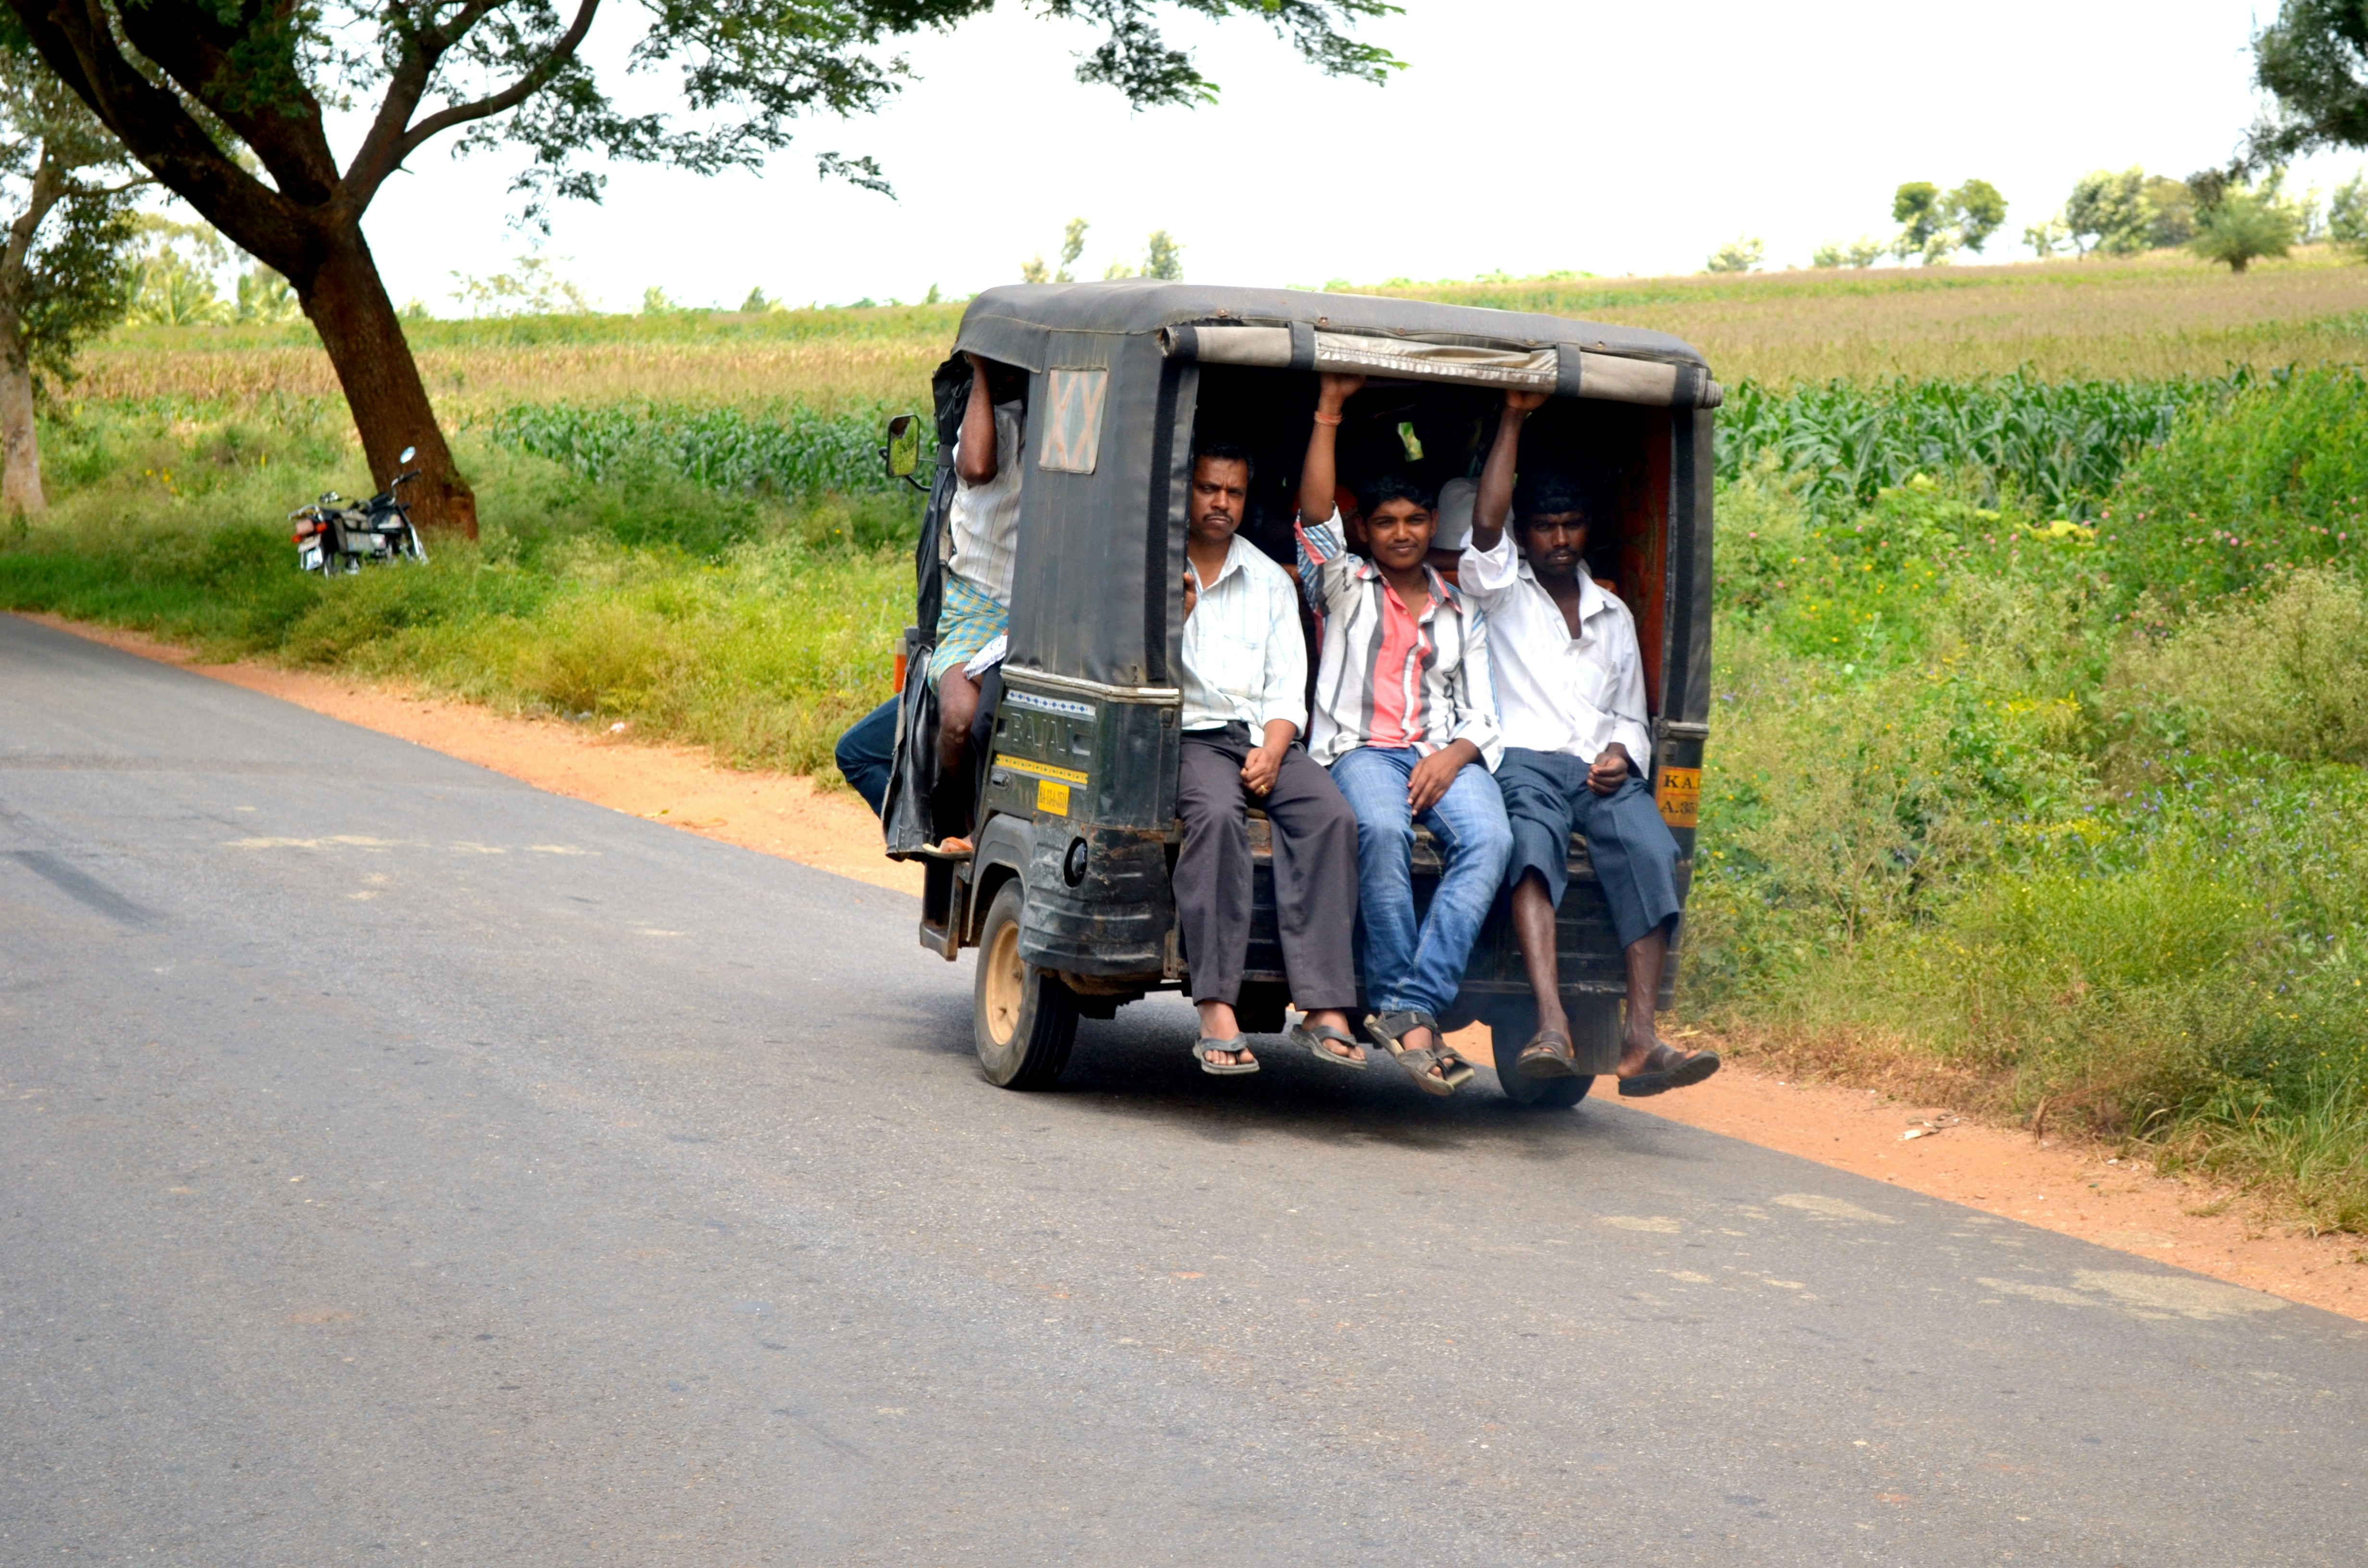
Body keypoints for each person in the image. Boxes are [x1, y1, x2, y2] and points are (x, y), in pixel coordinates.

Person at [1460, 389, 1719, 1096]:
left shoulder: (1612, 616)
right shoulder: (1502, 590)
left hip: (1599, 772)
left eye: (1572, 524)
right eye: (1545, 526)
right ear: (1526, 531)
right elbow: (1485, 528)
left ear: (1587, 528)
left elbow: (1632, 719)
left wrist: (1621, 757)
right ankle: (1551, 1026)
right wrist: (1512, 417)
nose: (1561, 539)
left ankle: (1640, 1040)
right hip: (1525, 766)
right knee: (1534, 853)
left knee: (1653, 850)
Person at [1294, 372, 1511, 1097]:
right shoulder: (1344, 585)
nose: (1402, 534)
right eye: (1386, 522)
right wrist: (1330, 410)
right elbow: (1315, 514)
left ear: (1431, 526)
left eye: (1415, 521)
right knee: (1381, 832)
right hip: (1360, 750)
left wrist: (1454, 756)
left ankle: (1409, 1003)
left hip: (1440, 752)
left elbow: (1483, 712)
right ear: (1366, 531)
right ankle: (1403, 1005)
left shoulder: (1459, 607)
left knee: (1491, 840)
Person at [1172, 443, 1365, 1076]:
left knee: (1332, 816)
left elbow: (1288, 688)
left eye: (1233, 492)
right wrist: (1172, 619)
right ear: (1187, 491)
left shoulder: (1268, 579)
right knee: (1219, 817)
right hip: (1190, 737)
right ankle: (1216, 1007)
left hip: (1262, 737)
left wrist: (1275, 750)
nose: (1220, 503)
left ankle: (1324, 1006)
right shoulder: (1160, 571)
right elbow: (1139, 678)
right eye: (1208, 489)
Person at [930, 352, 1024, 848]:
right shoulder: (986, 420)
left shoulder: (1065, 427)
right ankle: (955, 820)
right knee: (960, 721)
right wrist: (984, 375)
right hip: (978, 604)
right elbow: (976, 466)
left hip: (1037, 610)